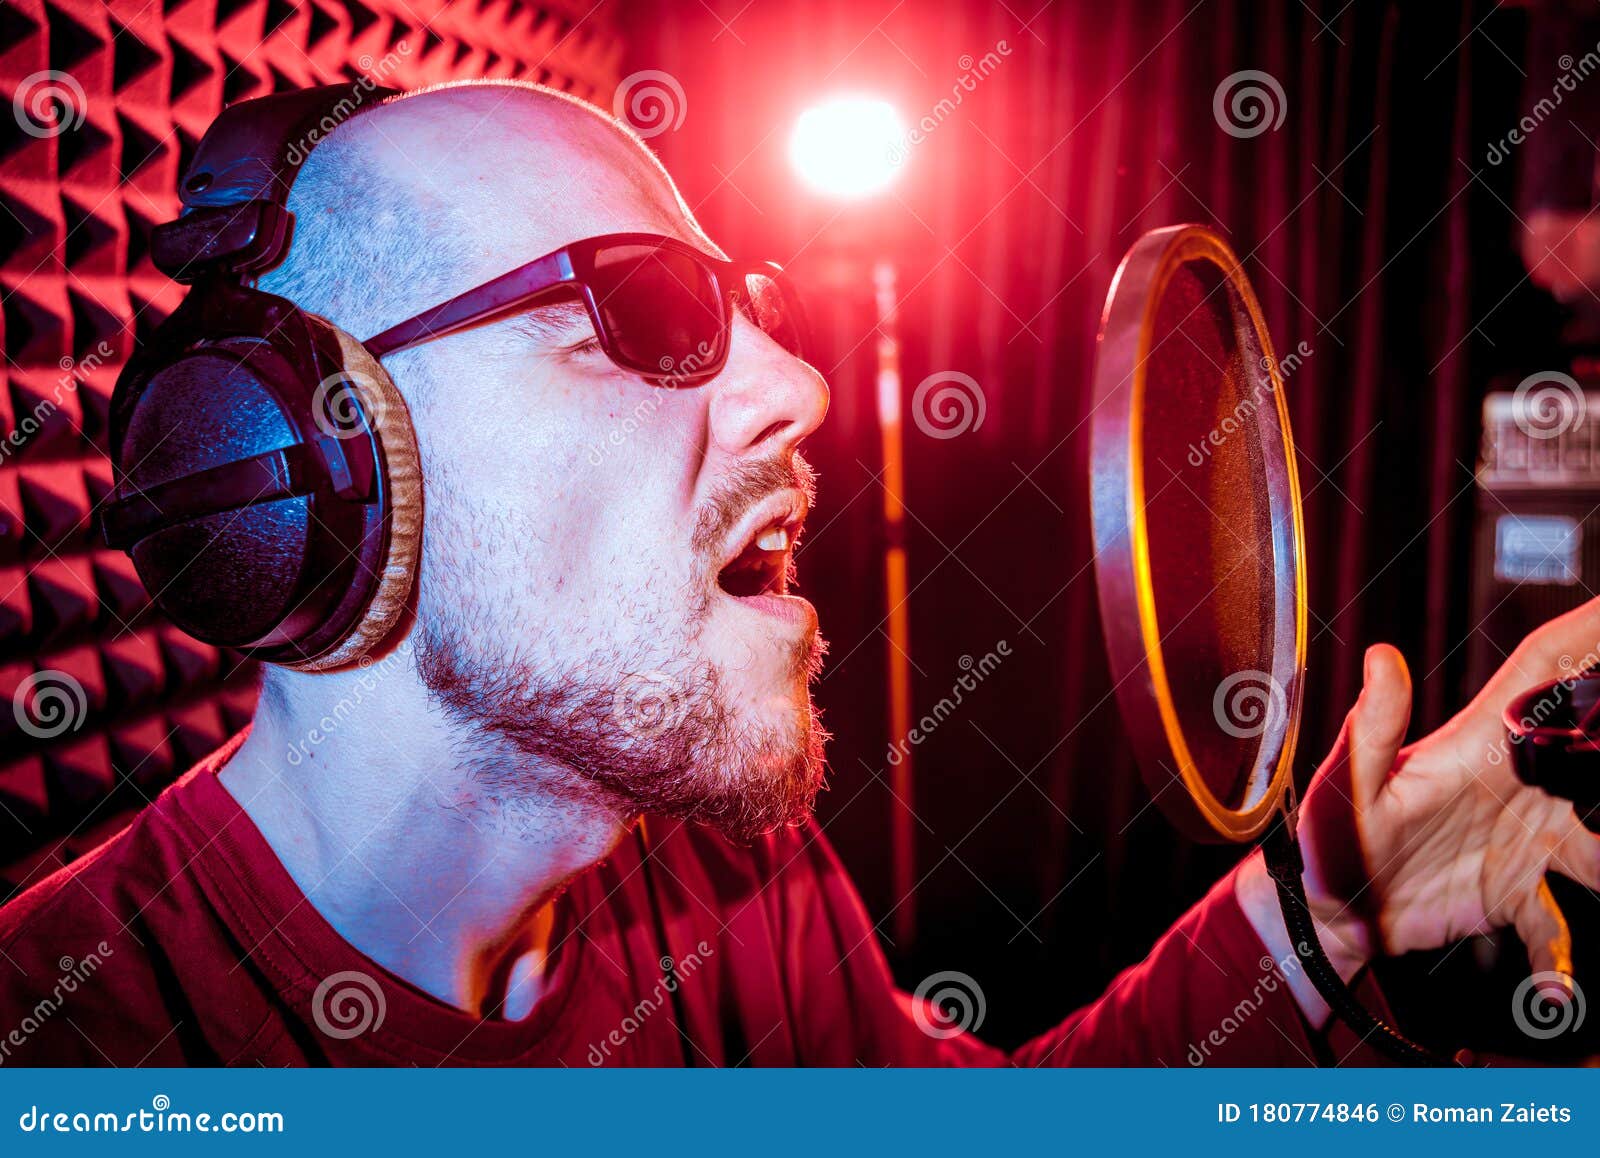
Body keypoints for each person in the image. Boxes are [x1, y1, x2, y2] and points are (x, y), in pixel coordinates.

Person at [0, 80, 1593, 1067]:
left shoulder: (716, 874)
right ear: (297, 459)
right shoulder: (75, 1050)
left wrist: (1319, 910)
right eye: (640, 312)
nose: (802, 387)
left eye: (751, 307)